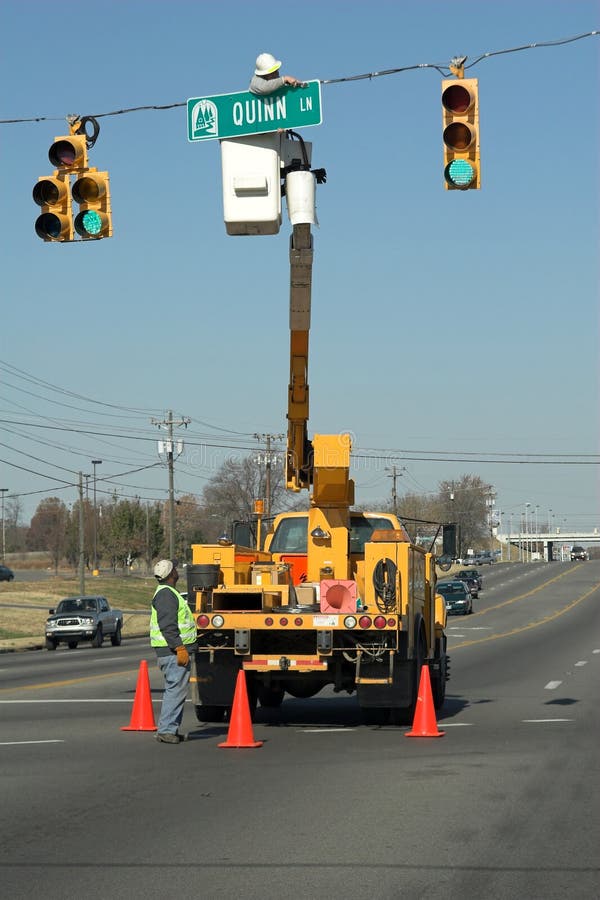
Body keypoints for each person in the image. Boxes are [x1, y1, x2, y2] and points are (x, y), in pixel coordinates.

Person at [150, 559, 198, 744]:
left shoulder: (168, 593)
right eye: (175, 569)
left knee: (175, 690)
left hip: (171, 651)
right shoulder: (166, 595)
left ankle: (169, 729)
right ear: (171, 574)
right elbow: (167, 626)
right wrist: (179, 648)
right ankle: (166, 730)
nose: (178, 571)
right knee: (175, 690)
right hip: (172, 652)